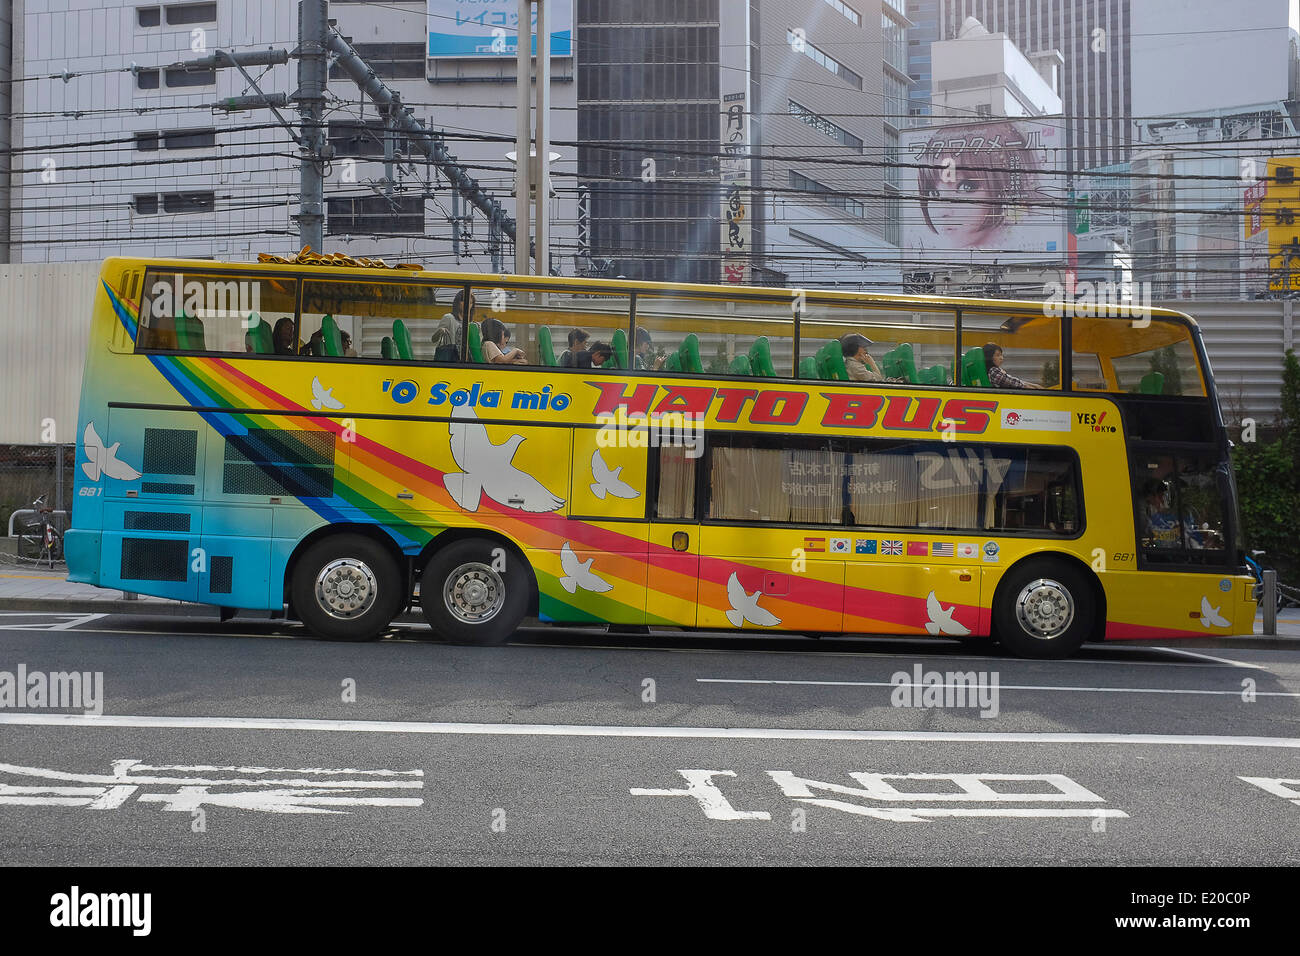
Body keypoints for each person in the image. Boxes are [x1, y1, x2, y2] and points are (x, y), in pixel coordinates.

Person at [915, 121, 1047, 251]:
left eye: (965, 187)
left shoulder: (1036, 244)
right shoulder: (923, 253)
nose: (942, 212)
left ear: (1007, 185)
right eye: (933, 193)